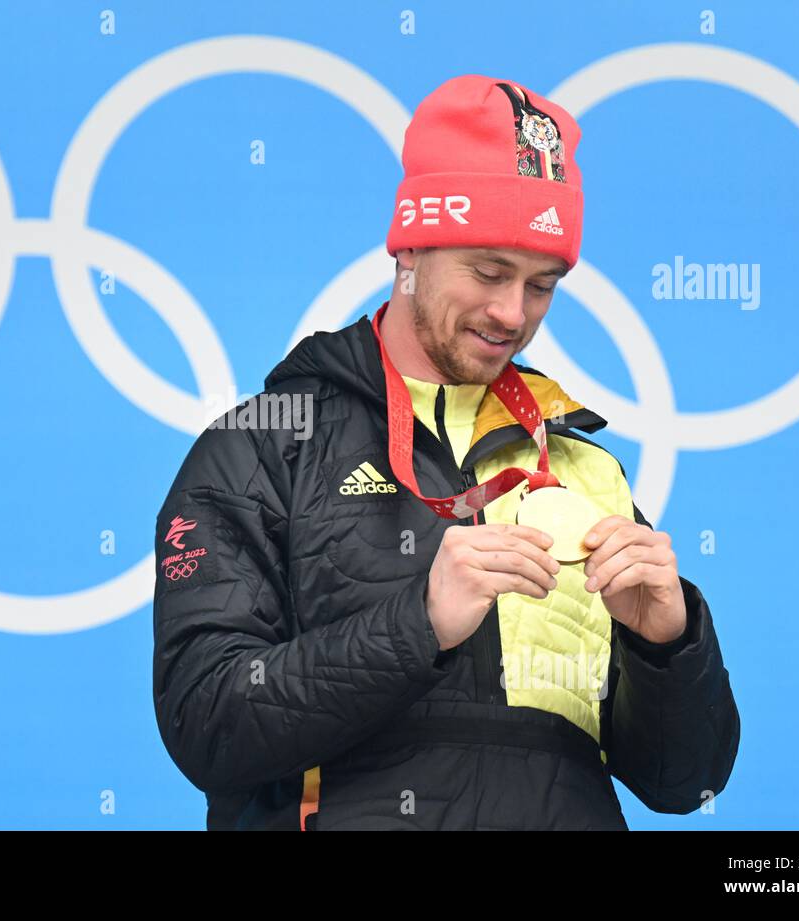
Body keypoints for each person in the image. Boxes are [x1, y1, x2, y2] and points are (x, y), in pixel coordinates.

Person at [151, 74, 740, 830]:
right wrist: (417, 623)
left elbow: (685, 784)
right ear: (413, 251)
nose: (511, 313)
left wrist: (669, 640)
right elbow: (207, 721)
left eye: (541, 285)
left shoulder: (587, 470)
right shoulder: (263, 445)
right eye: (489, 272)